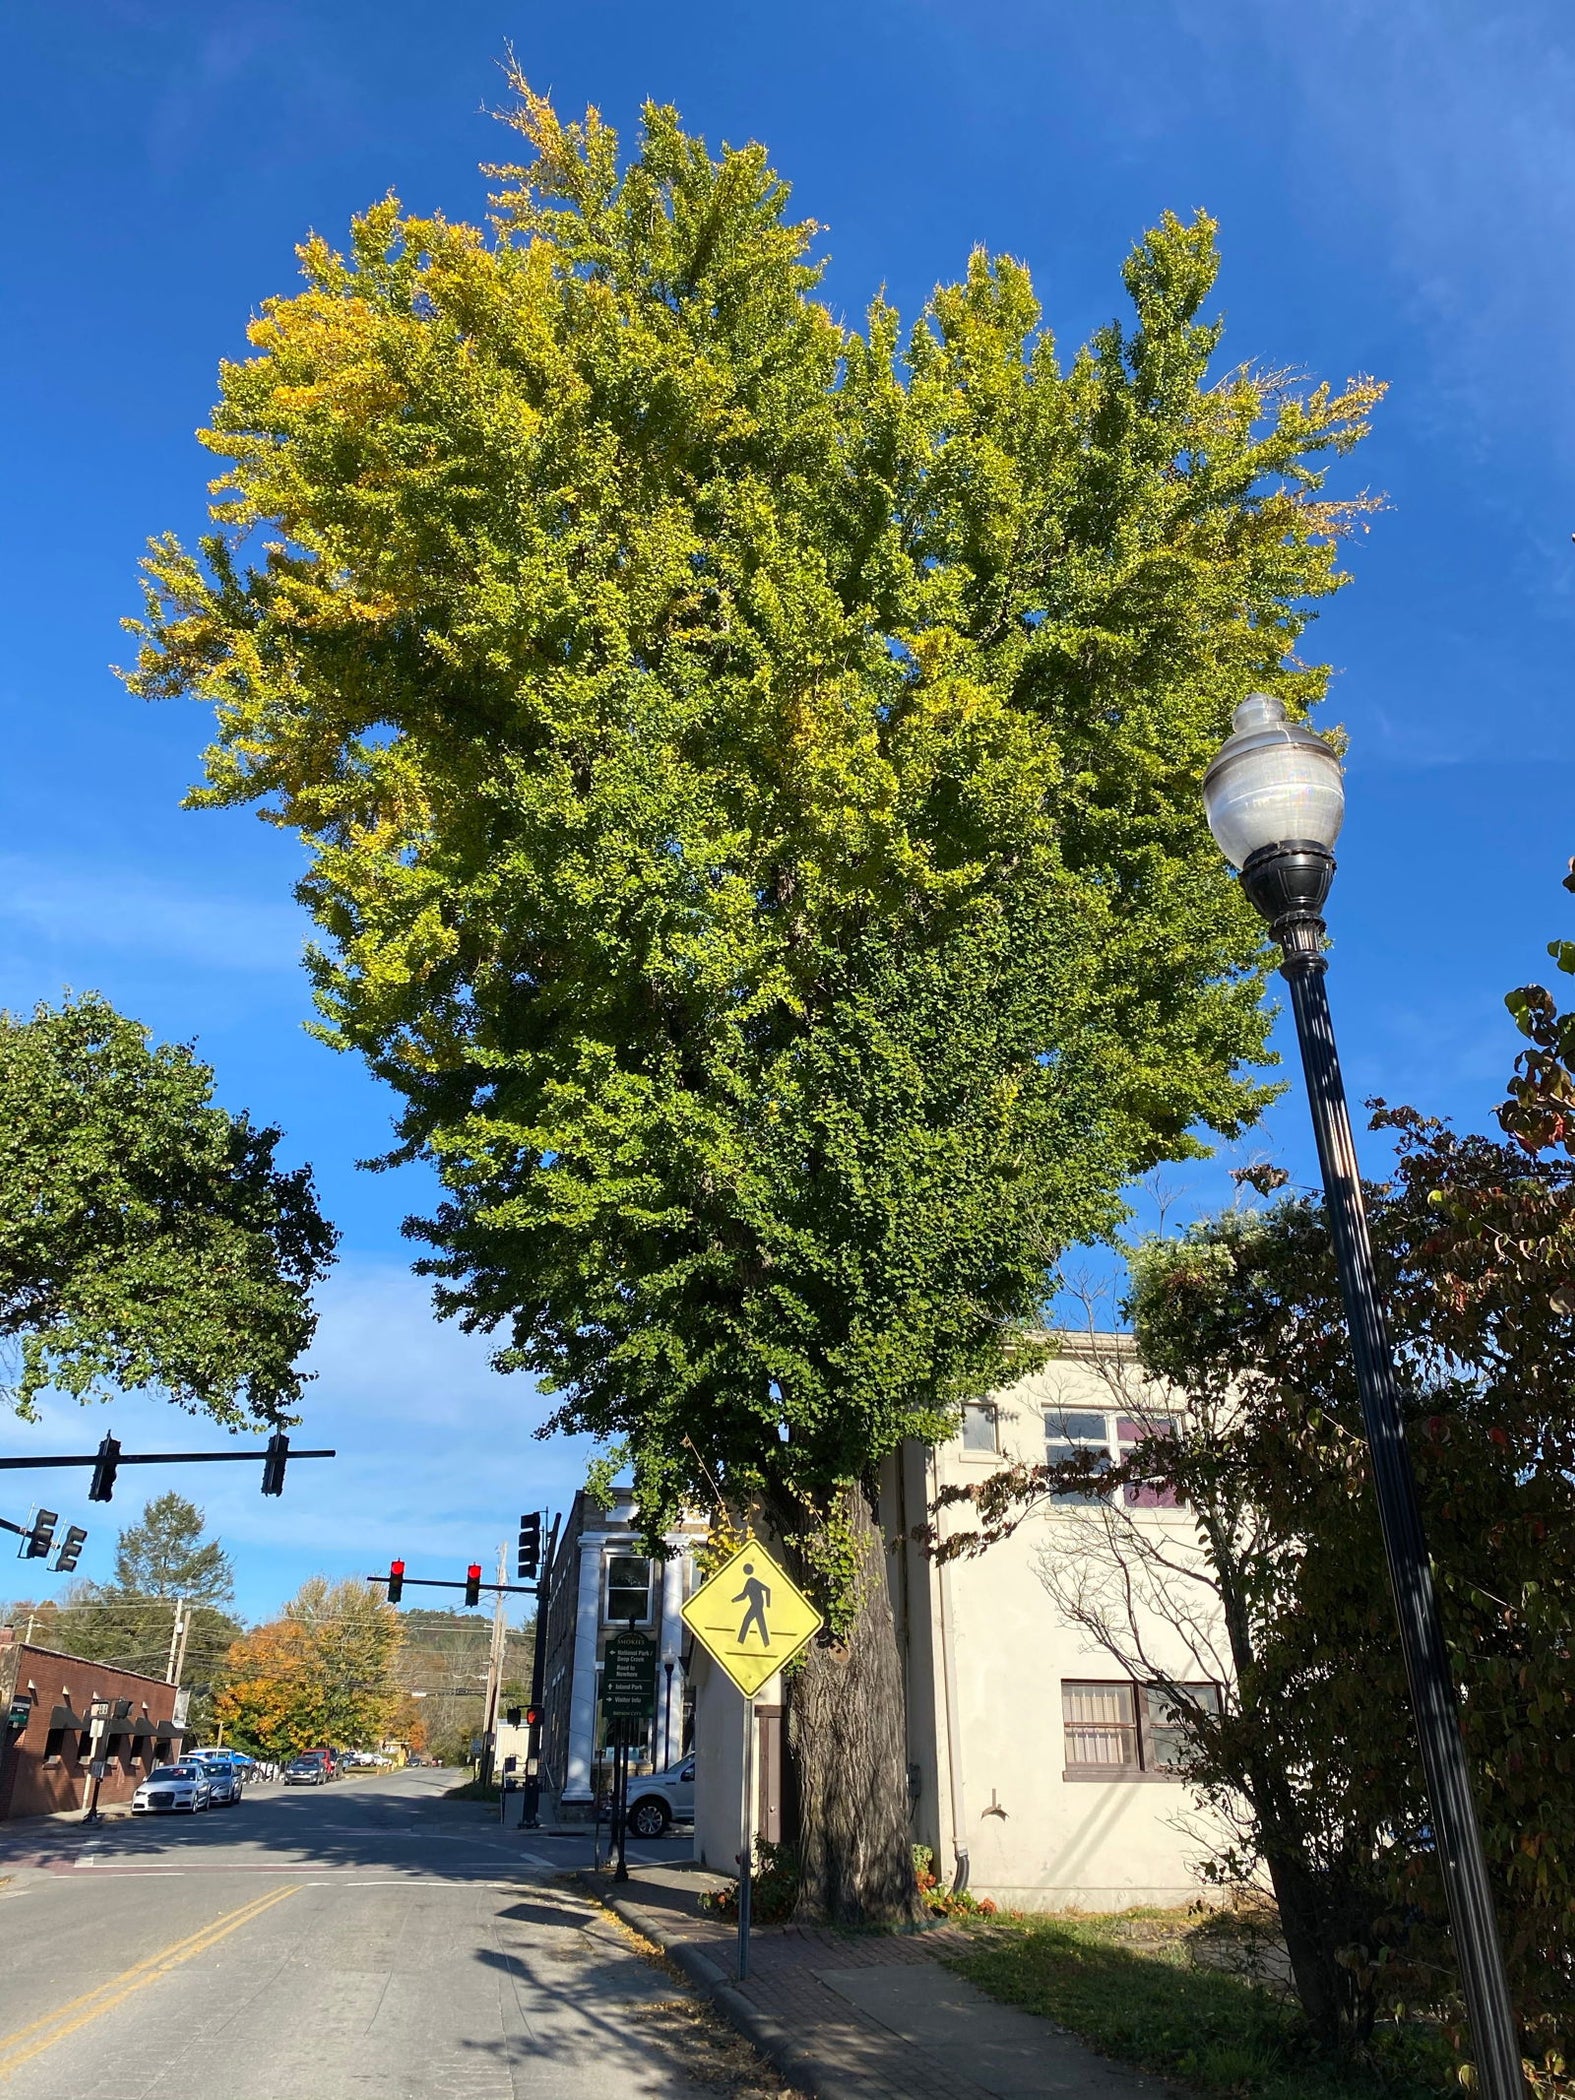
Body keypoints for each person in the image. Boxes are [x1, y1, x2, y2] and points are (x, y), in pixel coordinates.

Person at [733, 1563, 772, 1647]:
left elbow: (768, 1589)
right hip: (755, 1605)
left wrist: (768, 1604)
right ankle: (766, 1643)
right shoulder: (749, 1582)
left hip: (757, 1605)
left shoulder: (752, 1581)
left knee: (747, 1620)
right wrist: (734, 1600)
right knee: (761, 1623)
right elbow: (744, 1595)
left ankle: (740, 1641)